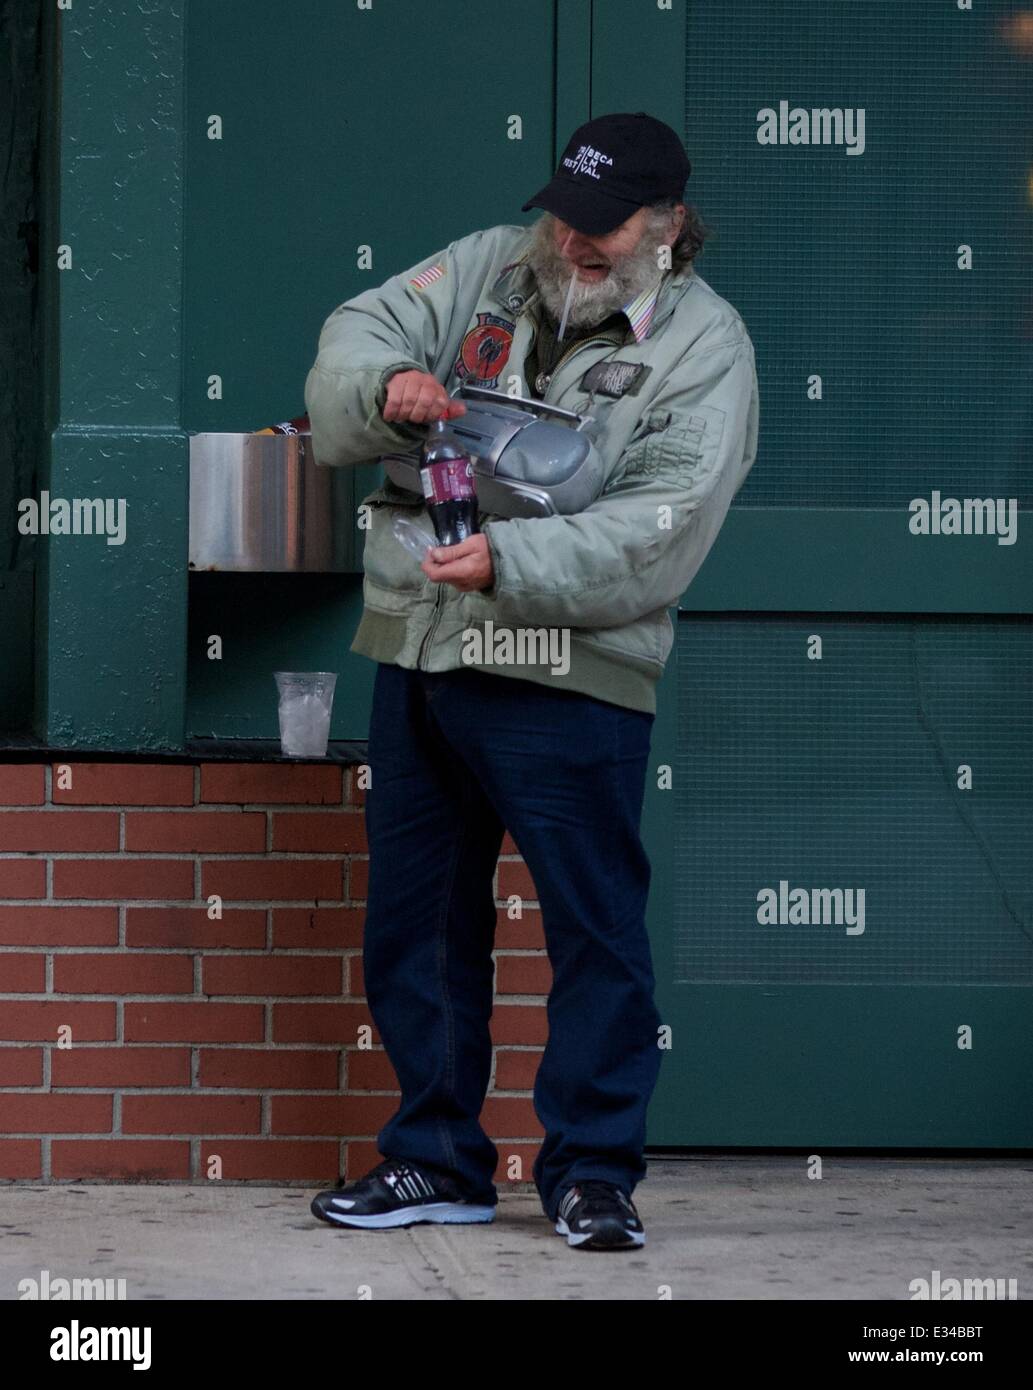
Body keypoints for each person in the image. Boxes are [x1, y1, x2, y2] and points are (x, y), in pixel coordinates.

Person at [304, 112, 759, 1251]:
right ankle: (433, 1158)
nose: (574, 240)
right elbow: (355, 330)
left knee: (591, 931)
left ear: (667, 225)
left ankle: (592, 1172)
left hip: (568, 667)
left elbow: (661, 527)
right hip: (421, 644)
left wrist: (511, 561)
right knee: (416, 922)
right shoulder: (486, 265)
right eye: (563, 214)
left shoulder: (708, 348)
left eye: (603, 225)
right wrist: (390, 382)